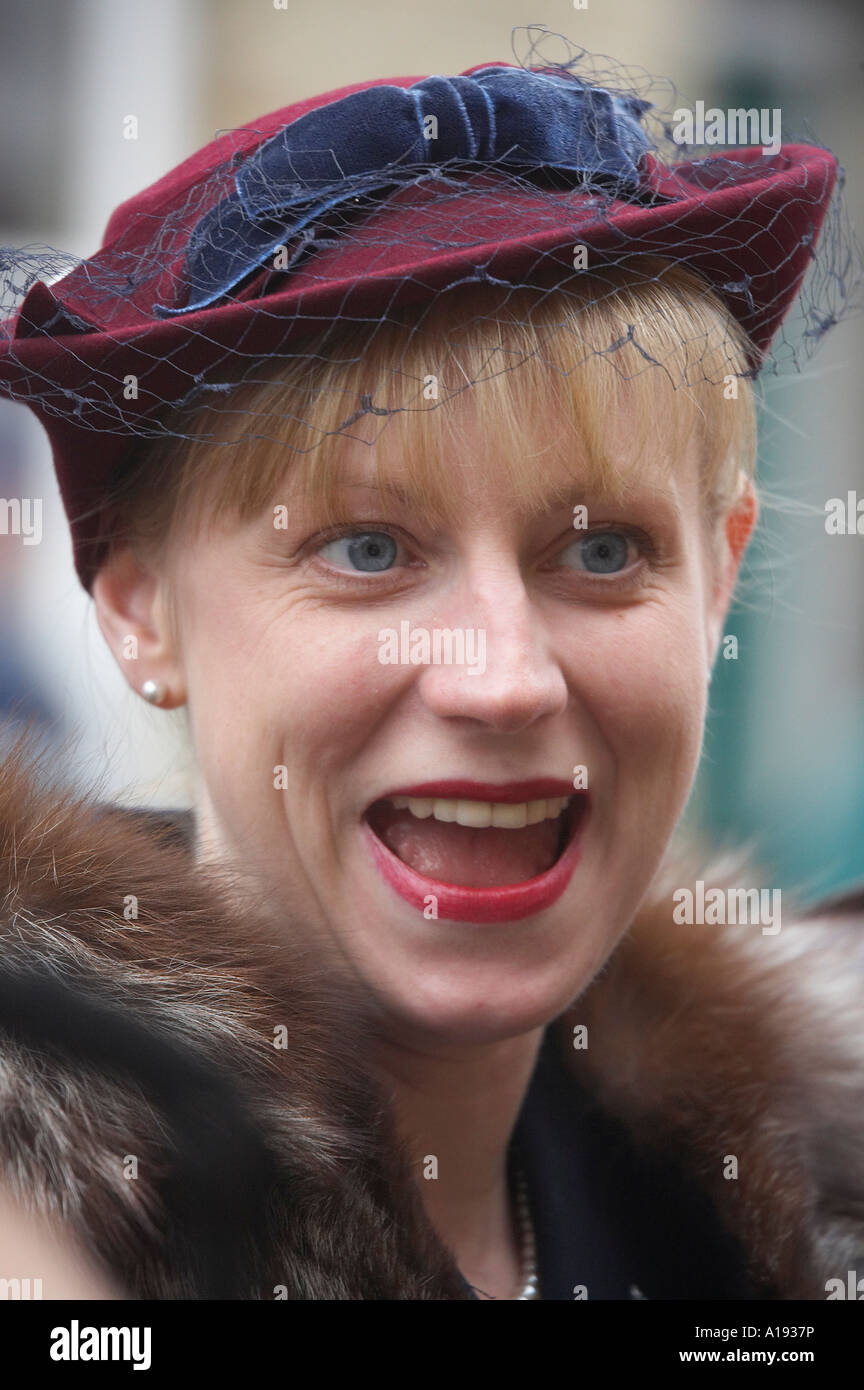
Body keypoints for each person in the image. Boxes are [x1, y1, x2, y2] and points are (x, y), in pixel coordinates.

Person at [0, 41, 862, 1301]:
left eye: (603, 549)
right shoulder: (51, 1236)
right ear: (141, 608)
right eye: (366, 549)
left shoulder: (784, 1200)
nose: (502, 680)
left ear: (718, 579)